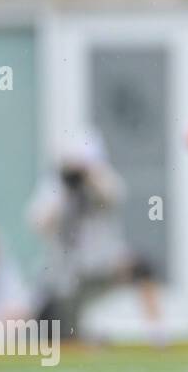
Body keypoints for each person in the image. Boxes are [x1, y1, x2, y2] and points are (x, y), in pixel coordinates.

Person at [26, 132, 162, 343]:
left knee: (142, 268)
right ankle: (83, 338)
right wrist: (65, 192)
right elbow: (39, 223)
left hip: (104, 263)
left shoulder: (101, 179)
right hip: (67, 273)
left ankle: (157, 335)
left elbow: (114, 195)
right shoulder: (55, 185)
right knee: (52, 330)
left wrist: (89, 176)